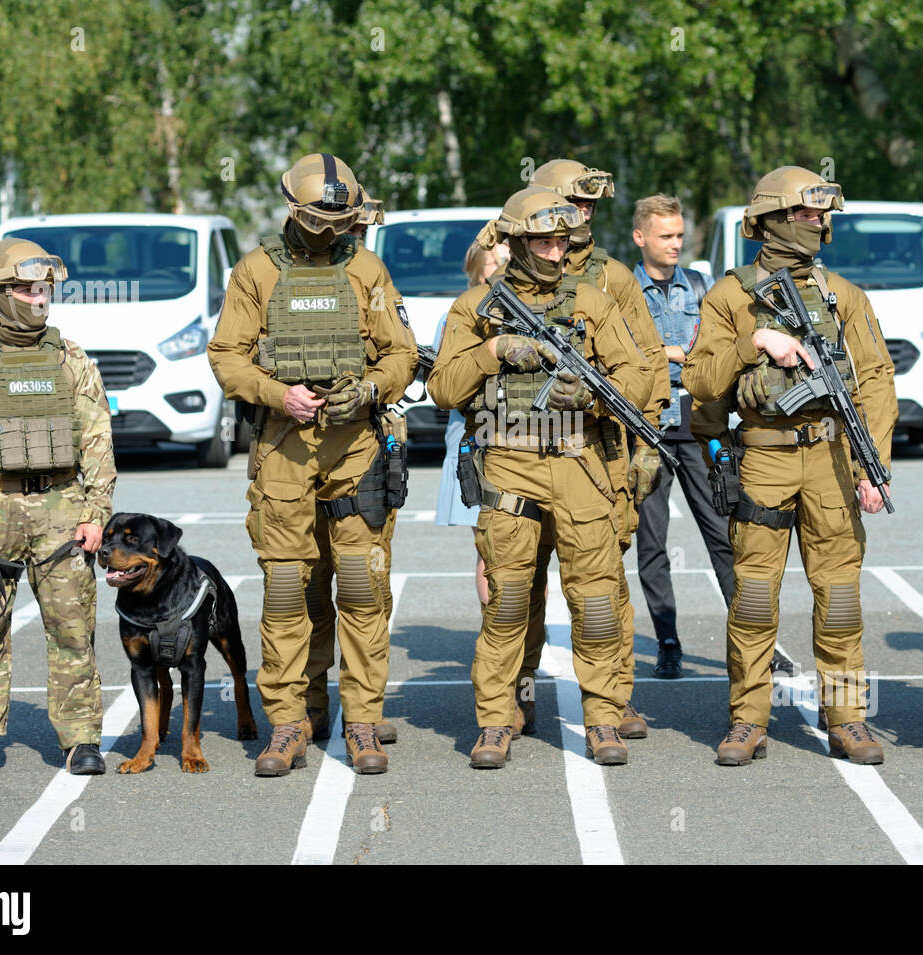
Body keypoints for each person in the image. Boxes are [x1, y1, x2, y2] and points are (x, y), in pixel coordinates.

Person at [208, 152, 417, 775]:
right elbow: (226, 356)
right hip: (283, 451)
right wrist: (278, 394)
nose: (330, 234)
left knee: (358, 587)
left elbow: (402, 354)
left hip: (356, 450)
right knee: (286, 591)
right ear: (292, 212)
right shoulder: (256, 272)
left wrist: (372, 389)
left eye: (341, 222)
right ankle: (290, 723)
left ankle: (362, 722)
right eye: (318, 221)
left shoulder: (368, 269)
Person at [429, 185, 651, 768]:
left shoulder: (591, 304)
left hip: (581, 465)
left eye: (564, 241)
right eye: (546, 242)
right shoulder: (475, 307)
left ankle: (603, 719)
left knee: (596, 599)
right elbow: (443, 390)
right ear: (516, 243)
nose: (558, 252)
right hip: (508, 465)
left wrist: (596, 398)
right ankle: (498, 720)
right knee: (507, 603)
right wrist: (495, 350)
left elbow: (637, 379)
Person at [682, 166, 896, 767]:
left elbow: (877, 382)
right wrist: (755, 344)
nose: (819, 223)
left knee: (841, 598)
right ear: (772, 219)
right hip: (764, 461)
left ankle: (847, 717)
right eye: (806, 213)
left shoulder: (844, 295)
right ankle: (748, 719)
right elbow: (698, 381)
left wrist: (871, 465)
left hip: (831, 458)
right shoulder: (730, 297)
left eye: (821, 214)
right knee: (753, 598)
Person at [0, 238, 116, 781]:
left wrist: (96, 511)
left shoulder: (69, 357)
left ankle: (81, 739)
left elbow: (98, 438)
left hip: (62, 505)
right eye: (28, 290)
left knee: (73, 626)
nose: (40, 299)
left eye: (43, 290)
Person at [529, 158, 669, 739]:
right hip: (520, 451)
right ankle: (515, 692)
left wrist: (647, 443)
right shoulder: (511, 259)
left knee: (604, 584)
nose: (583, 215)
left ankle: (614, 697)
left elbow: (650, 364)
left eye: (589, 207)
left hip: (599, 451)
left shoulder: (614, 275)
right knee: (517, 583)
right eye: (574, 204)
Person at [630, 194, 735, 679]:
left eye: (679, 235)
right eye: (666, 236)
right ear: (641, 237)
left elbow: (717, 345)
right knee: (653, 542)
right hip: (647, 424)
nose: (675, 244)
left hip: (697, 421)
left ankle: (753, 638)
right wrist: (674, 353)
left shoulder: (700, 283)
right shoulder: (622, 292)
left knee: (724, 534)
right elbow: (625, 357)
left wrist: (669, 353)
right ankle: (668, 642)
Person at [435, 239, 511, 609]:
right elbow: (447, 388)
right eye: (492, 264)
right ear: (476, 272)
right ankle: (495, 627)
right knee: (490, 547)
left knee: (532, 553)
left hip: (524, 438)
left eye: (506, 262)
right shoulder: (460, 315)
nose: (500, 270)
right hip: (475, 438)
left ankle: (530, 640)